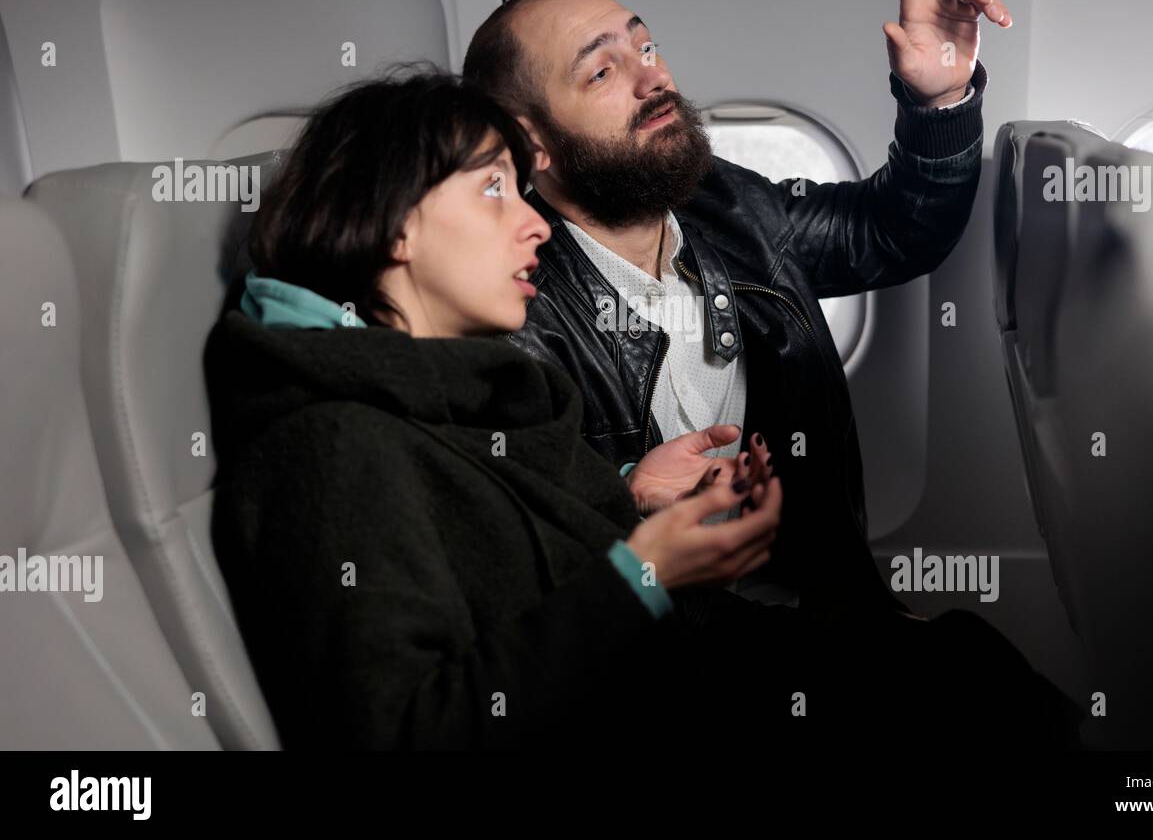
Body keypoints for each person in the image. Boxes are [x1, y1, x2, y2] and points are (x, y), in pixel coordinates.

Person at [205, 63, 1083, 750]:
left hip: (665, 681)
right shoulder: (332, 445)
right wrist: (648, 573)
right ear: (393, 224)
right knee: (968, 693)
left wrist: (635, 497)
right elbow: (410, 734)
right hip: (639, 716)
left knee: (961, 664)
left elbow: (520, 555)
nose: (536, 225)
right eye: (492, 192)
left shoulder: (469, 388)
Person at [458, 0, 1006, 616]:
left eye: (646, 46)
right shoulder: (508, 312)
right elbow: (501, 549)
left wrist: (937, 100)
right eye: (602, 72)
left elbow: (890, 233)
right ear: (527, 140)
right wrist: (625, 501)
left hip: (816, 606)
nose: (655, 78)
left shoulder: (725, 203)